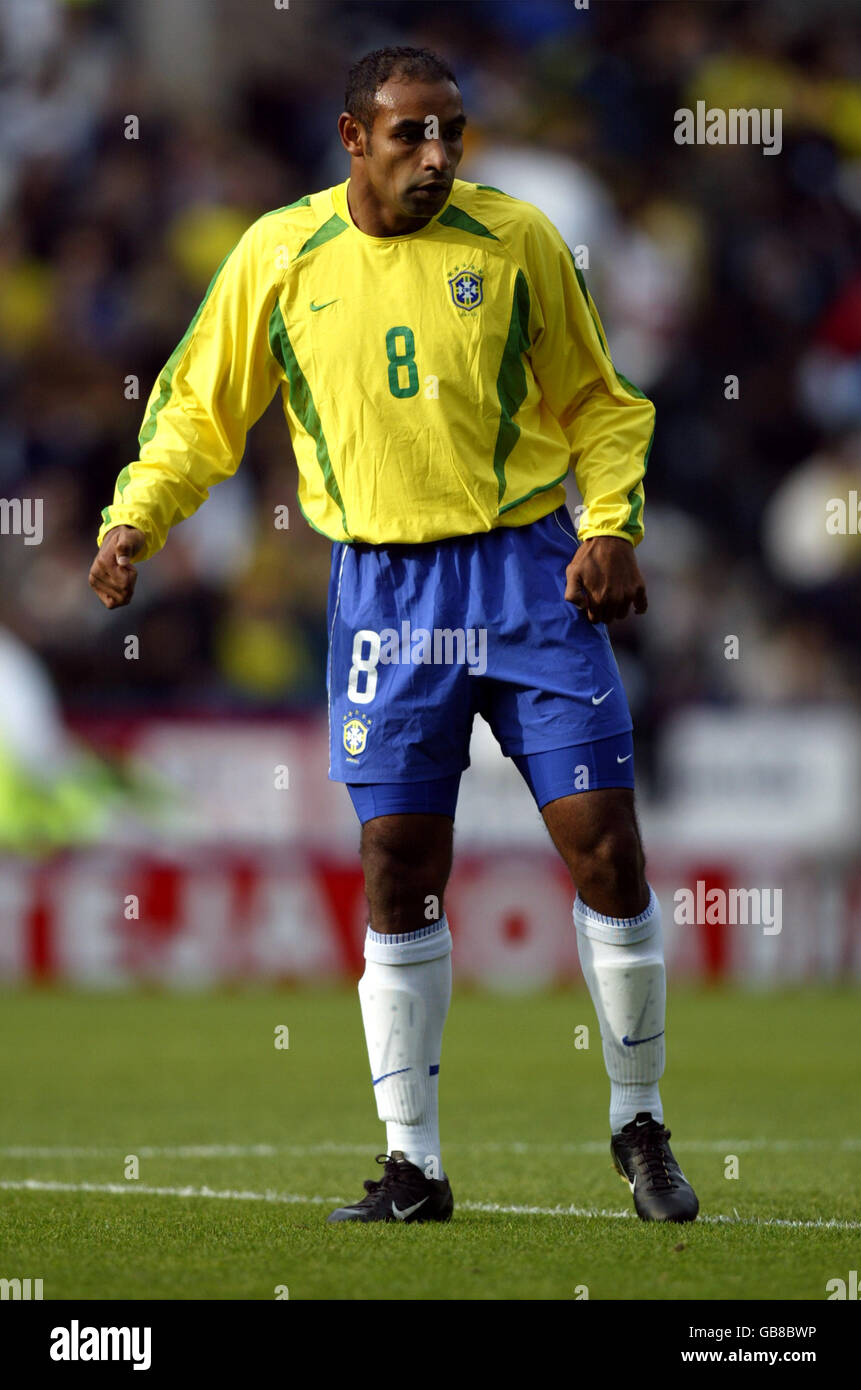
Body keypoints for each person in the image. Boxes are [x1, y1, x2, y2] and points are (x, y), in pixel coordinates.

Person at [89, 46, 699, 1225]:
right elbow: (198, 413)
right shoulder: (282, 253)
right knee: (397, 864)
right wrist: (133, 520)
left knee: (604, 846)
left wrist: (610, 525)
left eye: (451, 132)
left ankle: (639, 1123)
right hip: (383, 590)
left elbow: (601, 403)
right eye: (412, 133)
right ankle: (412, 1163)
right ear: (352, 137)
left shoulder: (515, 240)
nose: (437, 155)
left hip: (528, 571)